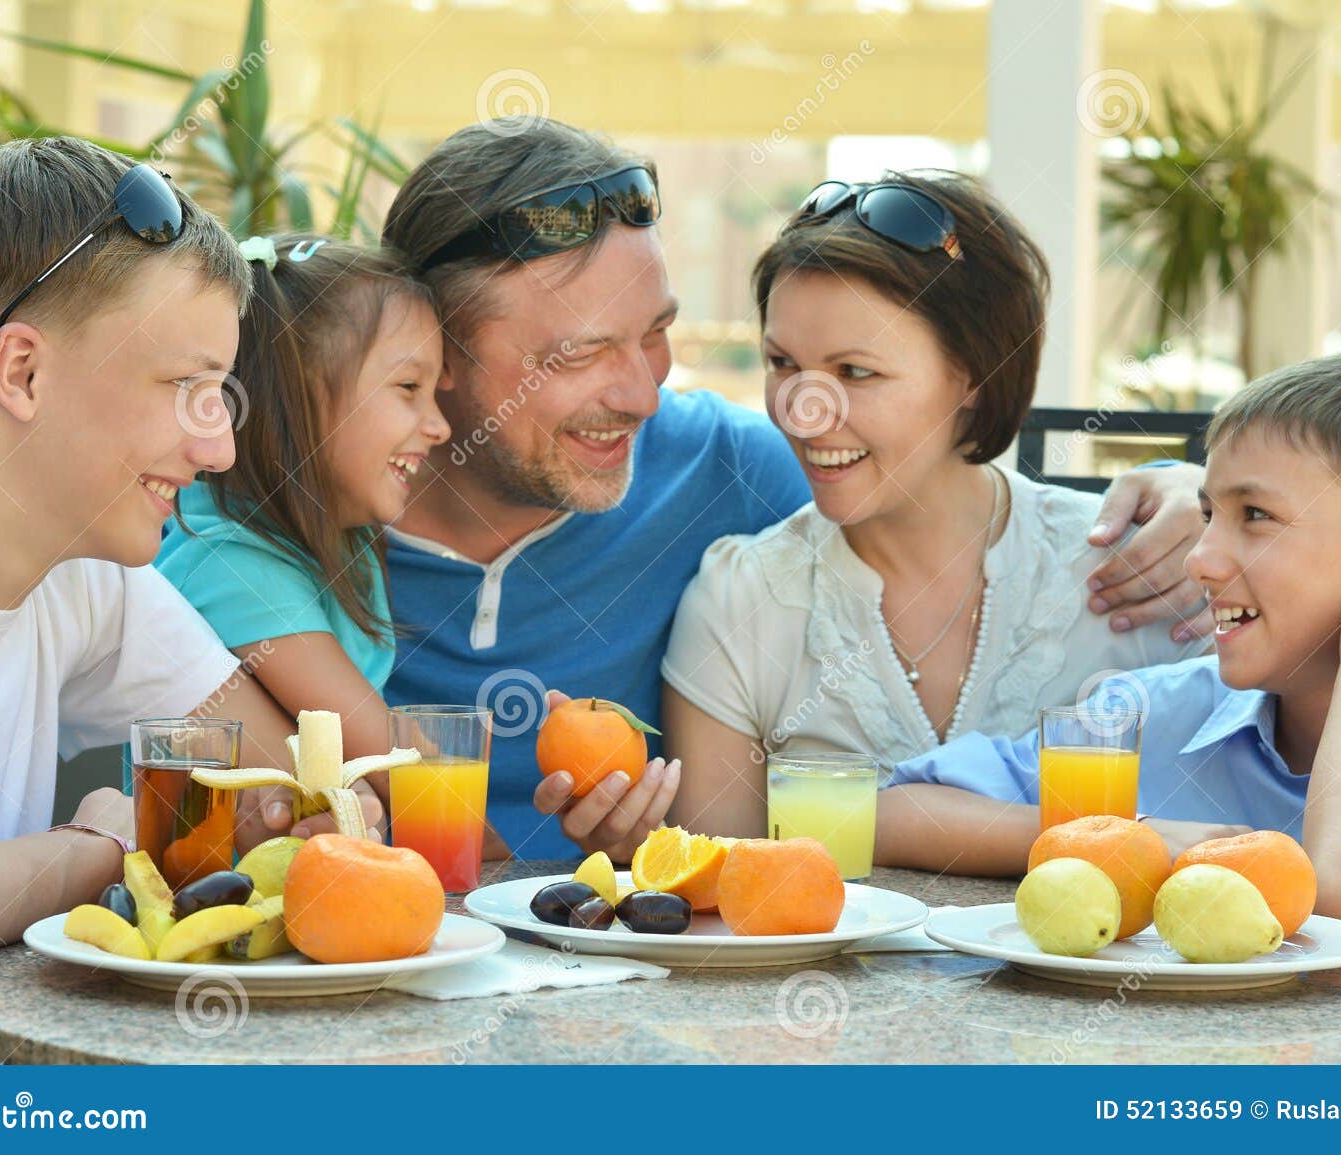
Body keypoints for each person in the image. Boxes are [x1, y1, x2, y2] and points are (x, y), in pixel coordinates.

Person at [382, 117, 1208, 862]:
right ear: (434, 352)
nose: (642, 397)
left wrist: (1201, 500)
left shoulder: (726, 468)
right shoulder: (329, 519)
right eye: (577, 354)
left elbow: (914, 485)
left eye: (657, 332)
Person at [0, 139, 369, 1063]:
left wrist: (289, 818)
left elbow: (293, 786)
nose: (219, 448)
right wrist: (88, 851)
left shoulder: (87, 578)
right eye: (186, 387)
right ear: (23, 372)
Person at [663, 172, 1206, 838]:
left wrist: (1222, 507)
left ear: (972, 375)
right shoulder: (739, 601)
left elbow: (1249, 838)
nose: (803, 412)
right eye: (782, 362)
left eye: (856, 372)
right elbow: (719, 883)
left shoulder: (1146, 571)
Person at [883, 350, 1341, 939]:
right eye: (1209, 514)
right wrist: (1137, 839)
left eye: (1256, 515)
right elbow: (900, 809)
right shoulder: (1157, 713)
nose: (1199, 559)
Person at [151, 235, 477, 843]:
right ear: (296, 395)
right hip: (221, 894)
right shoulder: (234, 567)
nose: (438, 426)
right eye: (409, 387)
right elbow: (421, 789)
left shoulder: (339, 546)